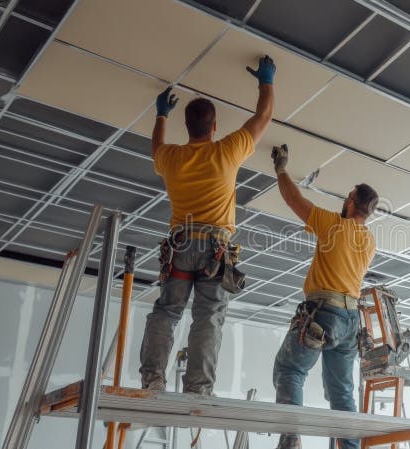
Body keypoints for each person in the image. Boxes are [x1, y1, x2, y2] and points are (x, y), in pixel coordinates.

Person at [139, 55, 276, 394]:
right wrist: (266, 81)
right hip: (215, 250)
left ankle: (153, 379)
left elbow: (156, 147)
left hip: (181, 247)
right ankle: (197, 388)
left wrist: (160, 115)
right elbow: (263, 117)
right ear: (214, 127)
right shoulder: (227, 150)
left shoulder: (172, 157)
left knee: (167, 312)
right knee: (209, 316)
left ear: (187, 127)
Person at [269, 144, 379, 449]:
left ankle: (291, 439)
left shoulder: (333, 225)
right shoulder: (370, 241)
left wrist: (281, 169)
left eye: (348, 196)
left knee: (290, 369)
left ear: (351, 201)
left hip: (324, 313)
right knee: (342, 393)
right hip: (350, 321)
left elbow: (294, 200)